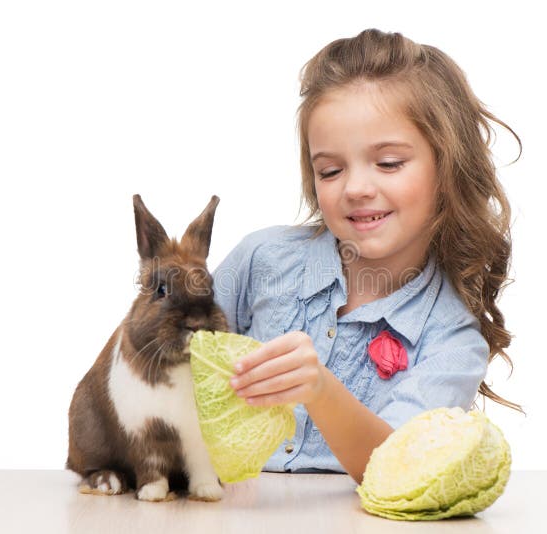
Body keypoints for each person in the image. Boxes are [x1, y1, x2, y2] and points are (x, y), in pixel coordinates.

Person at [210, 28, 524, 485]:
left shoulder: (451, 338)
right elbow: (157, 360)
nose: (355, 188)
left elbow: (396, 467)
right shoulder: (262, 259)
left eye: (389, 163)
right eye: (331, 170)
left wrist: (320, 389)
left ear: (448, 167)